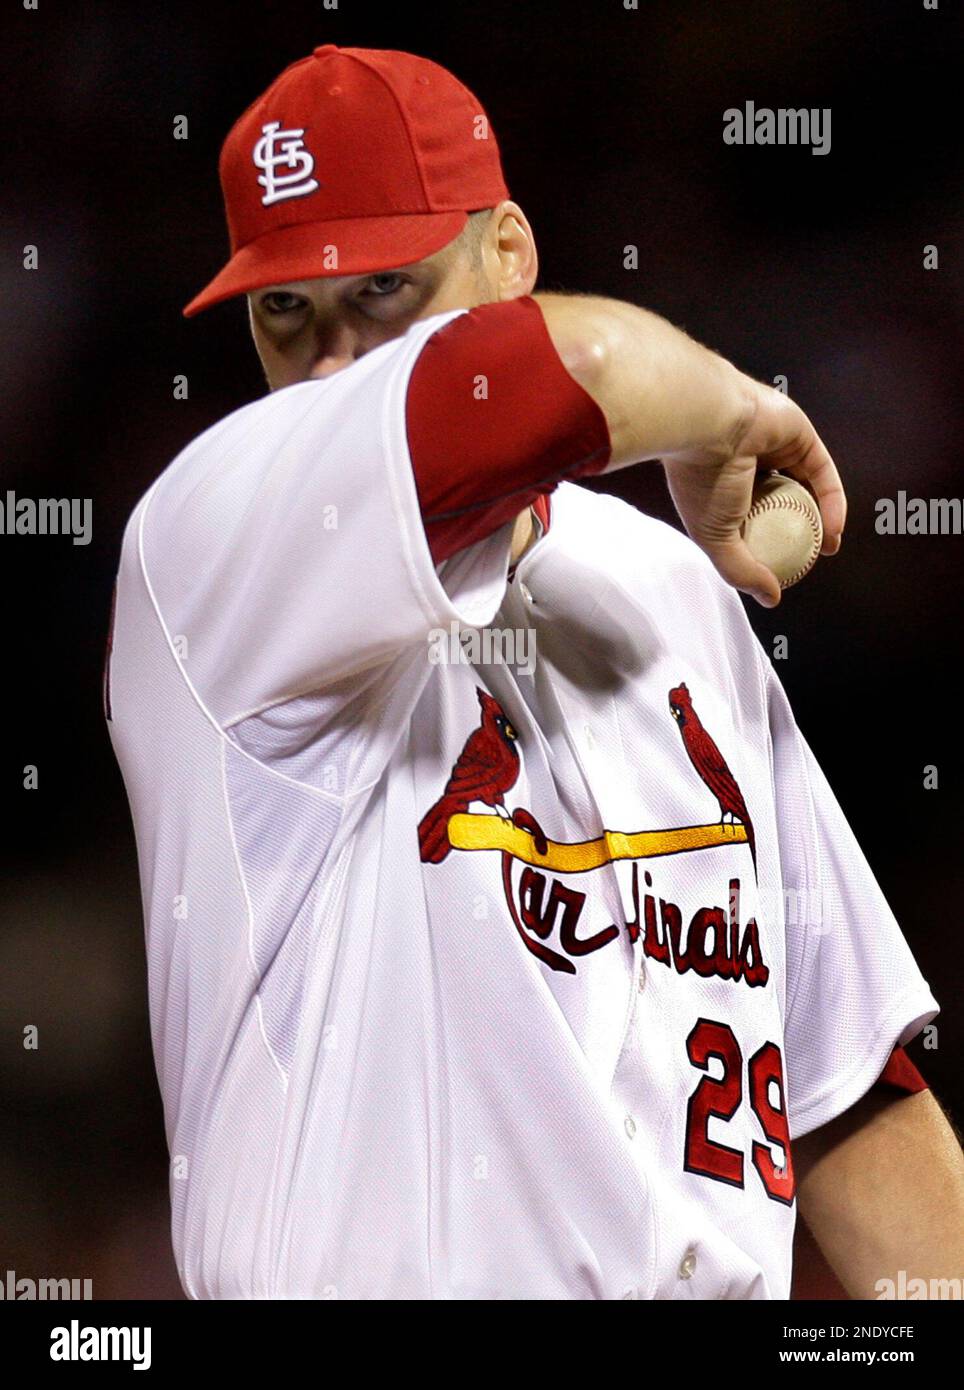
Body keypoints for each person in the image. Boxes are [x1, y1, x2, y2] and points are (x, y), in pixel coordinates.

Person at [106, 44, 962, 1300]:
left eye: (385, 286)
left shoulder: (669, 593)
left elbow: (843, 1094)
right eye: (286, 310)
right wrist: (726, 409)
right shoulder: (212, 546)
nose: (335, 362)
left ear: (510, 253)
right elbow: (570, 379)